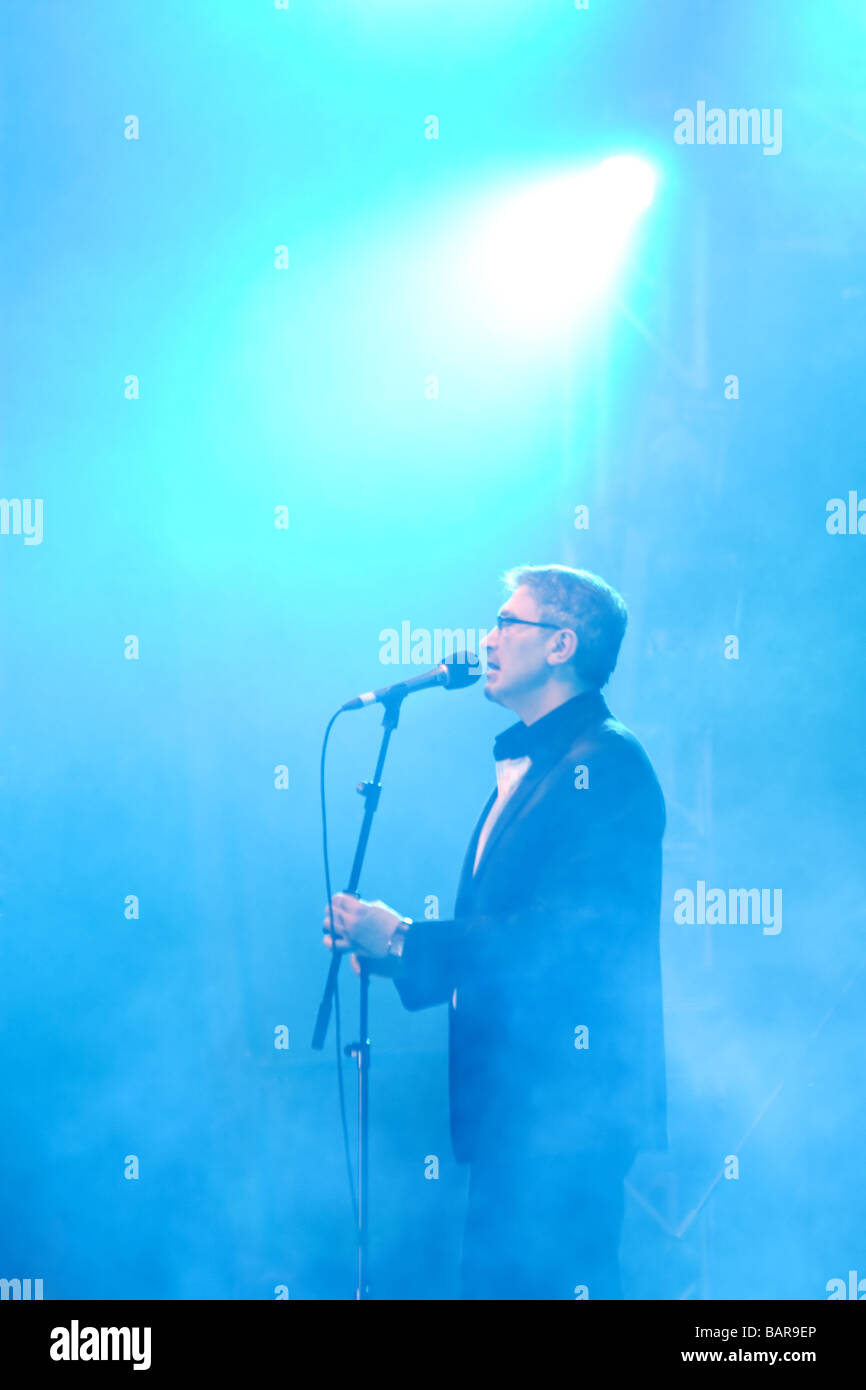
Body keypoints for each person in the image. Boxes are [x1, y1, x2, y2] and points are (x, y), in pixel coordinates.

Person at [324, 563, 667, 1299]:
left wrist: (408, 938)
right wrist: (390, 954)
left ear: (560, 644)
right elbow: (502, 934)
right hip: (517, 1104)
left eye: (507, 622)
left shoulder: (607, 765)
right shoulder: (538, 763)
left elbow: (566, 942)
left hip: (569, 1105)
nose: (487, 638)